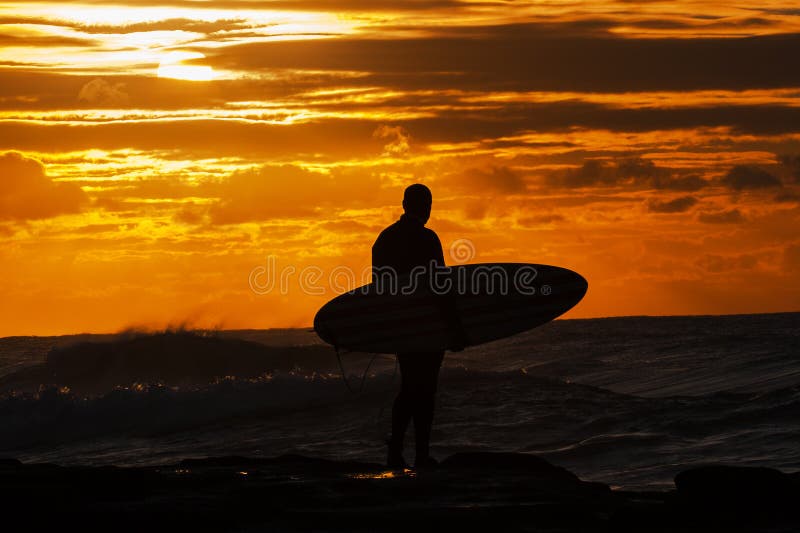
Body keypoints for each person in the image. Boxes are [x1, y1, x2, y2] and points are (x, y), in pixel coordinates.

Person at [371, 184, 466, 470]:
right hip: (430, 327)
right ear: (424, 207)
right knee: (425, 390)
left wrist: (386, 329)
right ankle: (420, 455)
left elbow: (380, 290)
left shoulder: (384, 239)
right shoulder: (427, 238)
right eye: (428, 203)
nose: (429, 209)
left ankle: (397, 451)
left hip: (403, 328)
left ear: (403, 204)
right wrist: (455, 328)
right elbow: (440, 286)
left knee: (410, 387)